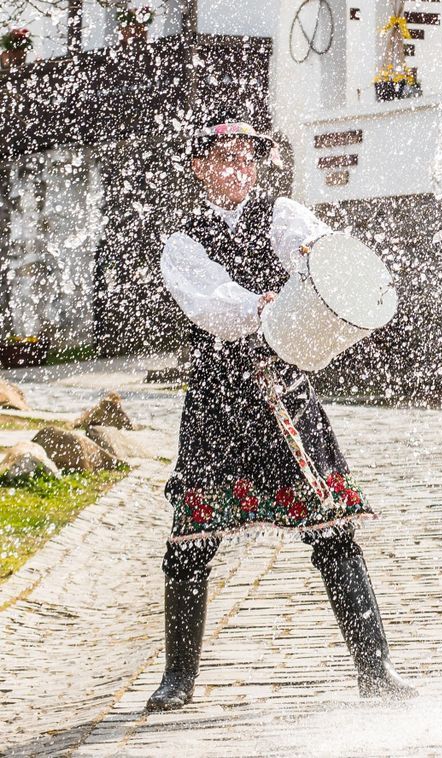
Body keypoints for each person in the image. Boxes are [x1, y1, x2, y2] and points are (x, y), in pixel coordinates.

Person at [146, 110, 416, 711]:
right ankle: (177, 679)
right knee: (191, 539)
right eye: (223, 157)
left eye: (246, 156)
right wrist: (261, 307)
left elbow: (323, 260)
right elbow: (209, 304)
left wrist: (321, 266)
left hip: (285, 392)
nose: (236, 166)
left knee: (333, 530)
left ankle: (377, 670)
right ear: (199, 167)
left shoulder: (282, 214)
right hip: (220, 400)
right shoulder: (181, 241)